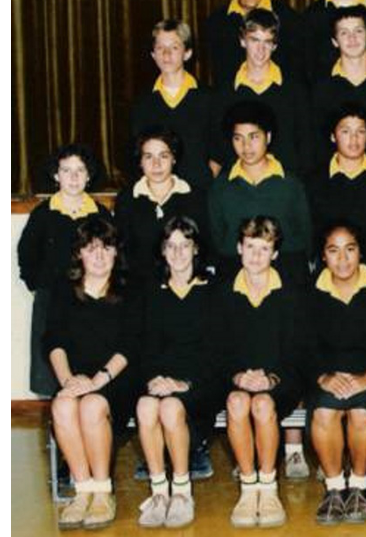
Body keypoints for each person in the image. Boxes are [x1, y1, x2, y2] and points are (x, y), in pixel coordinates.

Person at [44, 215, 138, 530]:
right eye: (90, 248)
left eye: (106, 248)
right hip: (77, 376)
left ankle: (103, 492)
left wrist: (97, 381)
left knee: (92, 404)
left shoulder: (131, 288)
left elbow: (131, 344)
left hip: (118, 378)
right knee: (62, 405)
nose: (98, 256)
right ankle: (82, 490)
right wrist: (68, 382)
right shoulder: (63, 288)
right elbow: (54, 341)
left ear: (116, 253)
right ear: (79, 254)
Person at [304, 222, 366, 525]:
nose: (343, 259)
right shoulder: (309, 292)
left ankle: (359, 488)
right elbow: (302, 345)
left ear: (360, 252)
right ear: (323, 255)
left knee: (361, 410)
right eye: (334, 251)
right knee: (324, 411)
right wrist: (323, 377)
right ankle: (334, 490)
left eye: (350, 249)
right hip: (328, 375)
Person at [133, 216, 221, 529]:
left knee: (170, 407)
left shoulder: (212, 290)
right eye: (171, 246)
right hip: (160, 381)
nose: (178, 253)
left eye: (185, 245)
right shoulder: (152, 291)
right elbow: (143, 347)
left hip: (200, 385)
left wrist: (183, 383)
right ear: (163, 250)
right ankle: (159, 493)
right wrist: (154, 380)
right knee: (146, 405)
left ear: (196, 249)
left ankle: (182, 492)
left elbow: (217, 352)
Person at [218, 216, 306, 528]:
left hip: (281, 381)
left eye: (264, 248)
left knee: (263, 403)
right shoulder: (224, 293)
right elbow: (217, 348)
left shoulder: (292, 293)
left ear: (275, 254)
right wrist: (239, 376)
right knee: (238, 402)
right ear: (239, 248)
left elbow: (297, 352)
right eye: (250, 247)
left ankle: (268, 489)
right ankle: (248, 486)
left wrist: (270, 379)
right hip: (237, 380)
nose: (256, 255)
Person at [18, 144, 109, 397]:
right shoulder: (43, 214)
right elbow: (26, 254)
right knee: (50, 360)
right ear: (56, 175)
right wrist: (39, 285)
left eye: (80, 170)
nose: (73, 177)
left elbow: (111, 252)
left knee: (84, 355)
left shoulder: (99, 213)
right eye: (66, 170)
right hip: (51, 297)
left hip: (88, 298)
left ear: (89, 176)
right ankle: (55, 422)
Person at [206, 100, 311, 284]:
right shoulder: (221, 187)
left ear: (268, 137)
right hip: (235, 275)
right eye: (238, 138)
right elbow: (217, 239)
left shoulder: (291, 184)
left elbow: (305, 235)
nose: (246, 146)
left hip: (286, 274)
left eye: (254, 137)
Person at [209, 10, 312, 174]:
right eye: (254, 40)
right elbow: (217, 154)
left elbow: (305, 151)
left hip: (283, 187)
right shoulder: (224, 92)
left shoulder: (295, 91)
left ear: (275, 45)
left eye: (267, 42)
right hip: (238, 188)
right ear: (242, 41)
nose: (260, 50)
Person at [307, 102, 366, 279]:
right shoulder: (314, 180)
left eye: (360, 131)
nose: (354, 139)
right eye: (345, 132)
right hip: (330, 275)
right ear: (333, 136)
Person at [114, 127, 209, 288]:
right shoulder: (127, 199)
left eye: (163, 156)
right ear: (140, 161)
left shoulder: (195, 197)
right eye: (148, 157)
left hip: (187, 285)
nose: (156, 164)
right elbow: (122, 252)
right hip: (140, 287)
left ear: (174, 159)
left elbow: (206, 247)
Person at [308, 6, 366, 168]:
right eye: (344, 33)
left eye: (358, 31)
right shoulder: (321, 90)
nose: (352, 39)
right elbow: (317, 145)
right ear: (335, 41)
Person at [130, 19, 217, 188]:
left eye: (174, 48)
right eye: (160, 48)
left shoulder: (209, 98)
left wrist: (206, 182)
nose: (166, 55)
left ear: (187, 53)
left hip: (198, 191)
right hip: (158, 192)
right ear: (153, 54)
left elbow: (218, 152)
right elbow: (138, 153)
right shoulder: (142, 103)